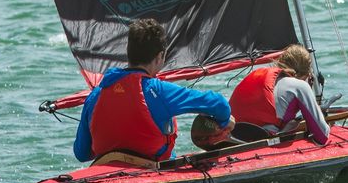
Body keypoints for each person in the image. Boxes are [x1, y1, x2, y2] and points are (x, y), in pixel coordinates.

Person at [73, 18, 235, 162]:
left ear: (129, 54)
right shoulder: (159, 91)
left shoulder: (97, 94)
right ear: (160, 56)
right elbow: (219, 104)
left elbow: (81, 154)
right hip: (151, 169)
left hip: (106, 171)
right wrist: (223, 123)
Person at [229, 44, 331, 145]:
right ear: (307, 74)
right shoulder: (300, 85)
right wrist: (320, 116)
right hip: (260, 140)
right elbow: (322, 136)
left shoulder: (258, 73)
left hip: (231, 135)